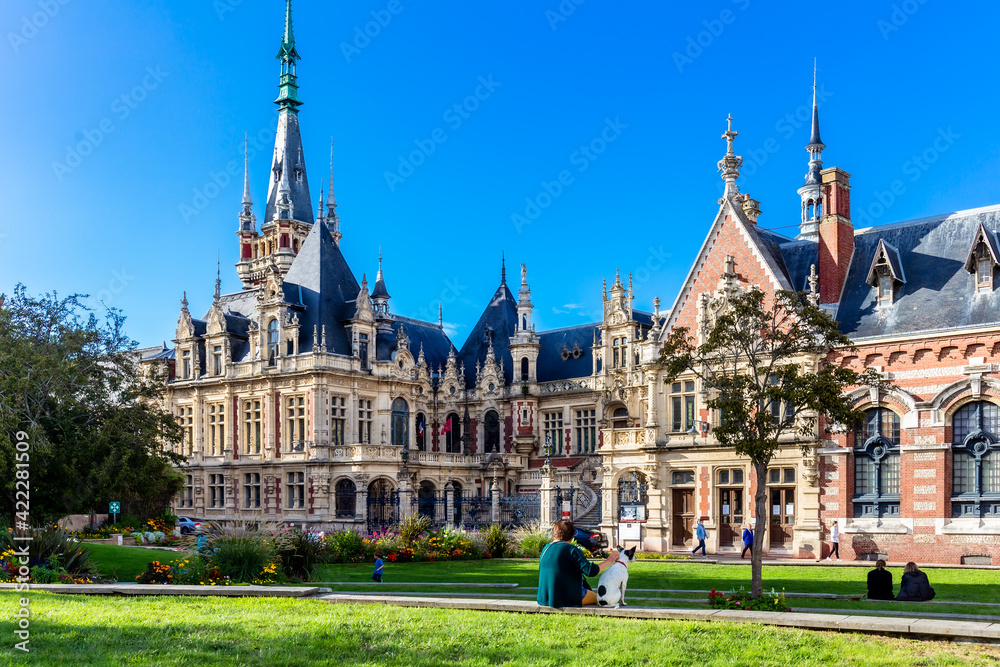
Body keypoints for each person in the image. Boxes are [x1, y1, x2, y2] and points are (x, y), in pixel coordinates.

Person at [537, 520, 619, 608]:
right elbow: (590, 571)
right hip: (567, 597)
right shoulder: (571, 550)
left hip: (544, 598)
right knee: (602, 599)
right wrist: (609, 560)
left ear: (554, 533)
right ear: (572, 536)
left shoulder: (546, 548)